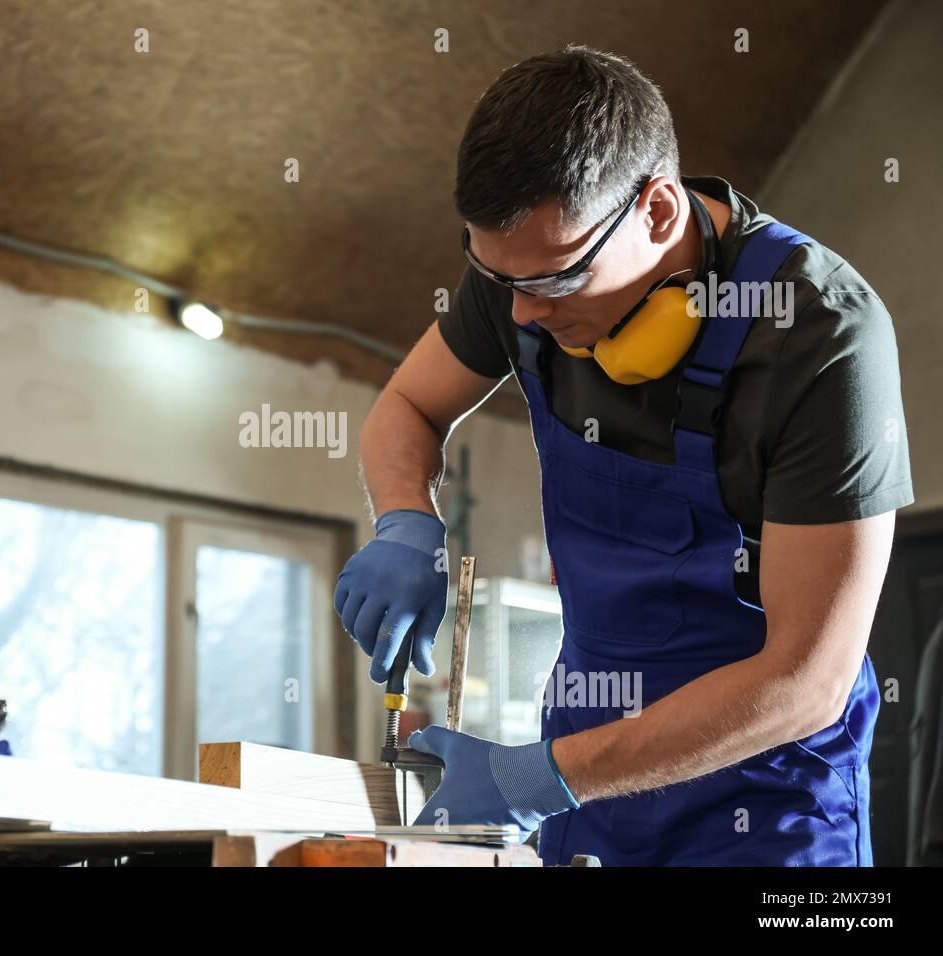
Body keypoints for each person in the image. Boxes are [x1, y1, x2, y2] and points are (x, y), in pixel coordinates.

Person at [335, 46, 913, 865]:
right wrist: (403, 521)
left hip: (764, 796)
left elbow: (806, 682)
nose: (524, 314)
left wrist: (543, 780)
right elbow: (408, 405)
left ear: (659, 212)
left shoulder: (817, 335)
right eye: (498, 280)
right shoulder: (525, 271)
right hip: (583, 767)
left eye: (558, 280)